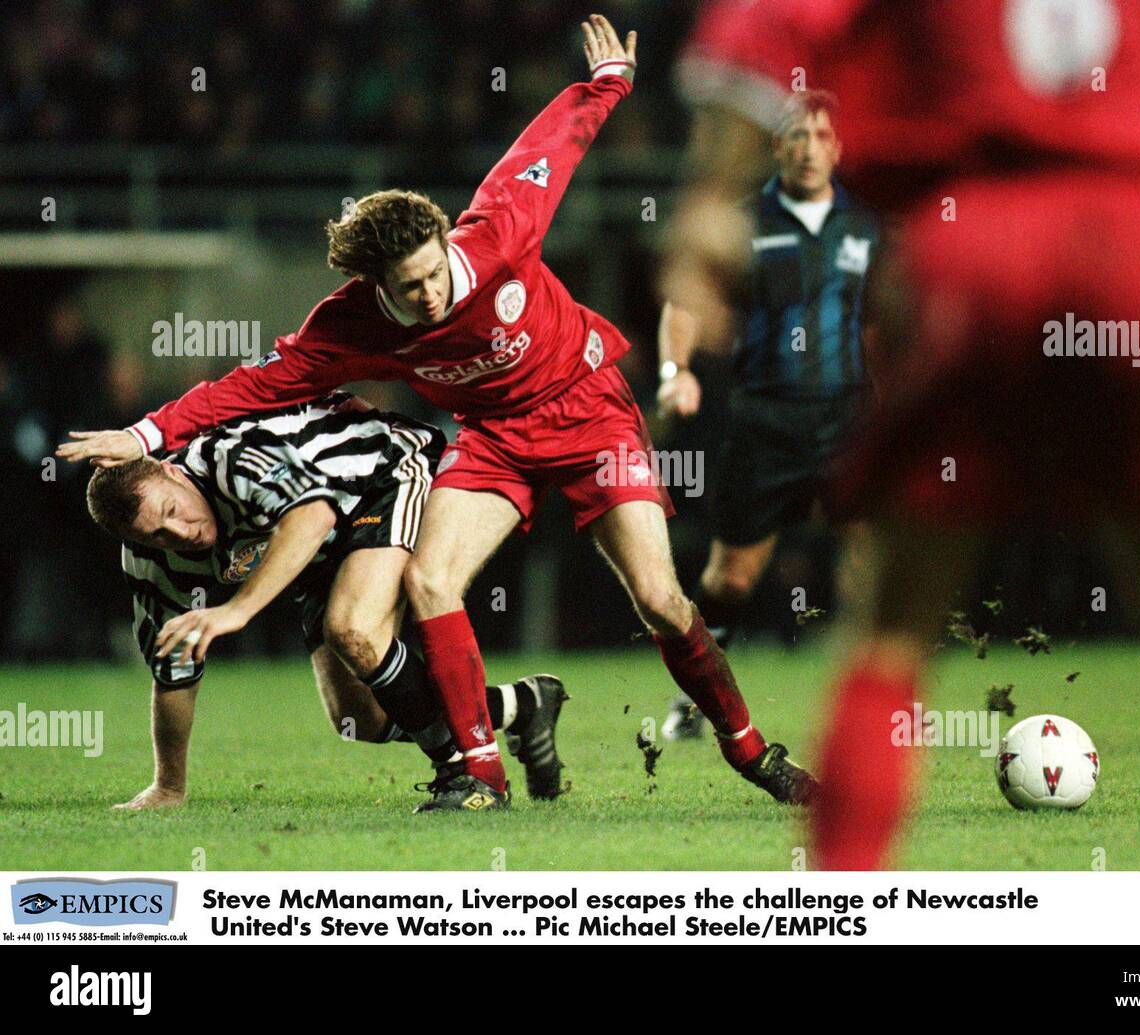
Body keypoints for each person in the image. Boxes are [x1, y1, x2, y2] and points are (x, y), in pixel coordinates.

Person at [58, 15, 816, 809]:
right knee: (428, 581)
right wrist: (146, 434)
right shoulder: (355, 324)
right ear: (376, 287)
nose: (428, 294)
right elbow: (252, 385)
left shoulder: (499, 232)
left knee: (661, 599)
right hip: (494, 440)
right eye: (407, 287)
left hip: (590, 412)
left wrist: (609, 84)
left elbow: (551, 149)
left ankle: (753, 752)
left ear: (445, 241)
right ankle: (481, 777)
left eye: (430, 274)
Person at [664, 0, 1140, 868]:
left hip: (969, 243)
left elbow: (764, 32)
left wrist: (707, 202)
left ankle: (844, 892)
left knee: (891, 633)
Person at [84, 395, 566, 811]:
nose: (181, 533)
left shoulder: (230, 457)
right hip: (318, 545)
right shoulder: (152, 561)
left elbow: (312, 514)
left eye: (172, 510)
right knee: (361, 718)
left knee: (352, 628)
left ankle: (463, 774)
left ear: (172, 469)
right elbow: (173, 671)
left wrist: (238, 609)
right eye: (157, 534)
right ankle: (522, 704)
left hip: (383, 471)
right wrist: (169, 786)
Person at [656, 89, 879, 739]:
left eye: (821, 137)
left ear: (839, 147)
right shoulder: (743, 224)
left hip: (849, 416)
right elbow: (686, 303)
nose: (809, 150)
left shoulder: (867, 227)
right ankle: (698, 695)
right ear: (776, 146)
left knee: (871, 553)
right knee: (731, 574)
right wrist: (676, 371)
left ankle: (874, 705)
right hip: (767, 420)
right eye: (796, 137)